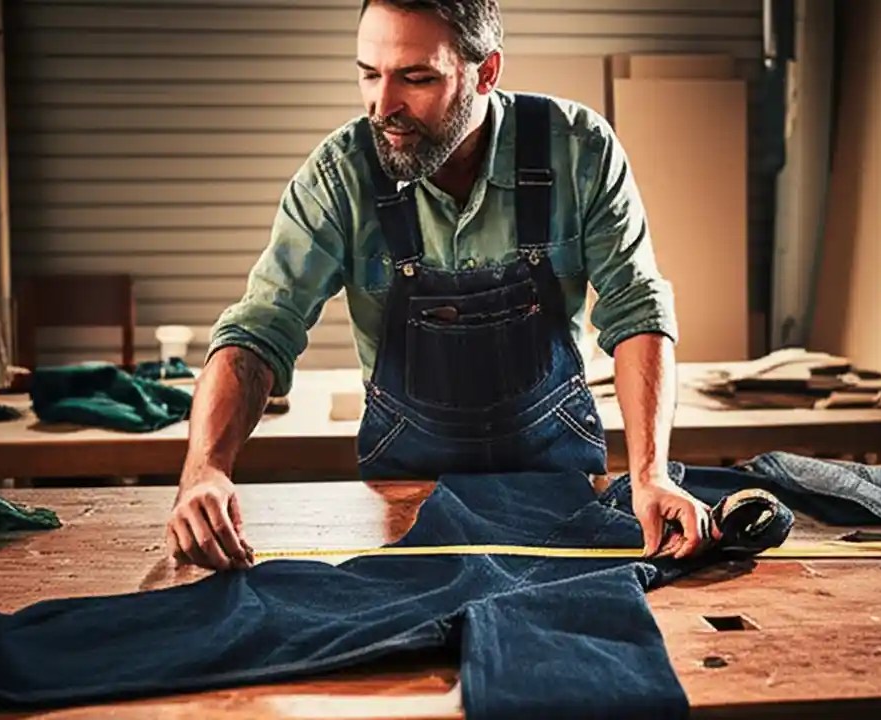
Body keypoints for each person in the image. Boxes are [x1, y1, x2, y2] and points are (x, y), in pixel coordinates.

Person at [166, 0, 714, 571]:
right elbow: (258, 334)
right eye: (369, 74)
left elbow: (636, 311)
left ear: (486, 72)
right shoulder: (339, 176)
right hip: (406, 504)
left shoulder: (578, 152)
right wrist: (206, 469)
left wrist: (650, 476)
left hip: (562, 494)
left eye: (416, 77)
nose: (384, 106)